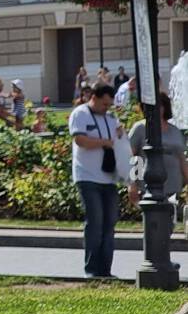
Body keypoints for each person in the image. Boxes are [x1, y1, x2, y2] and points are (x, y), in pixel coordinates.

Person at [70, 83, 127, 279]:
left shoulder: (110, 118)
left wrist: (120, 136)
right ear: (93, 97)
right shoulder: (81, 114)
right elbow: (80, 140)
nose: (106, 108)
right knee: (95, 221)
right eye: (104, 104)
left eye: (109, 105)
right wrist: (104, 143)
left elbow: (119, 136)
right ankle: (92, 270)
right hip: (87, 176)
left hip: (109, 178)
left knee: (109, 222)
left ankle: (105, 270)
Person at [127, 91, 188, 214]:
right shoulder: (140, 128)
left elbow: (182, 159)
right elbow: (132, 157)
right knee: (154, 222)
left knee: (169, 223)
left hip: (173, 185)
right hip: (149, 187)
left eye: (160, 105)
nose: (157, 109)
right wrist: (132, 183)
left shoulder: (175, 131)